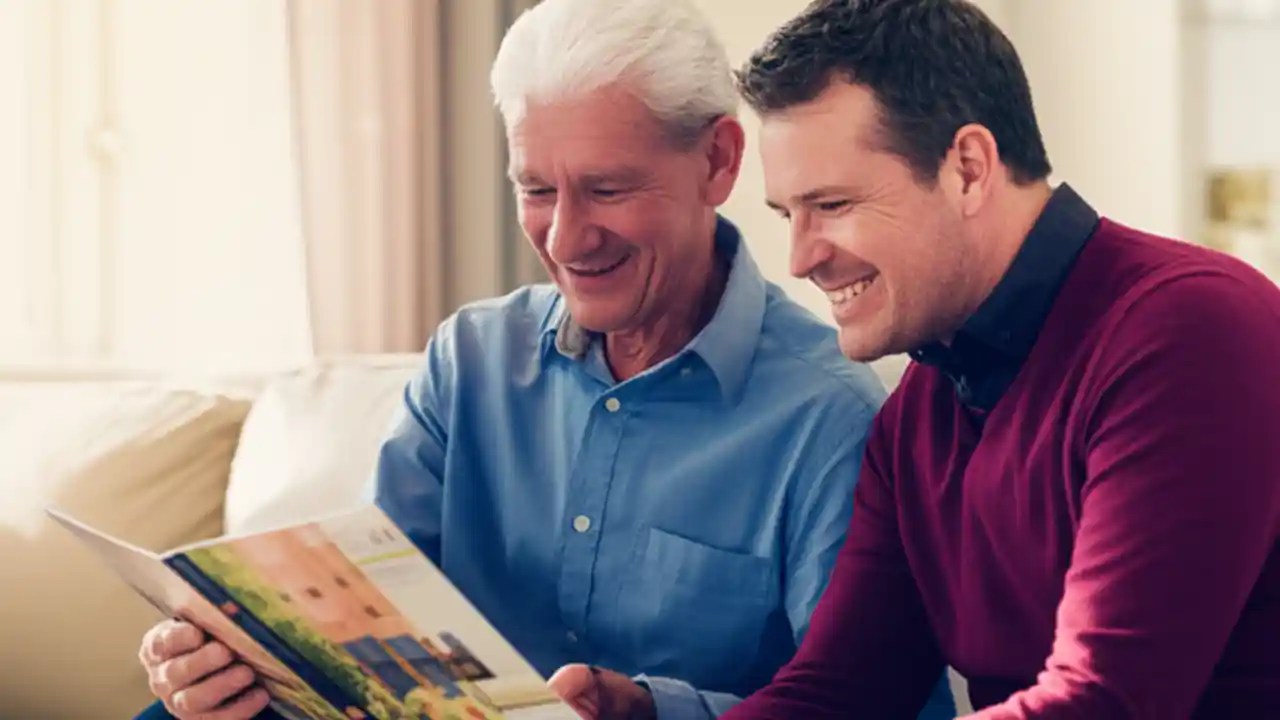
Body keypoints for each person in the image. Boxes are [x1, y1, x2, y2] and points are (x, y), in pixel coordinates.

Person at [132, 1, 957, 719]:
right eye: (536, 189)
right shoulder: (471, 361)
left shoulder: (830, 418)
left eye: (607, 189)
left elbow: (875, 707)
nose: (565, 238)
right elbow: (362, 629)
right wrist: (233, 668)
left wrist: (654, 711)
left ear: (717, 161)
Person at [712, 0, 1280, 718]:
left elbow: (1103, 704)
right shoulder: (918, 410)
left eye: (832, 204)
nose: (799, 258)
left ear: (970, 169)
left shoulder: (1189, 330)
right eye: (786, 215)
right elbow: (836, 690)